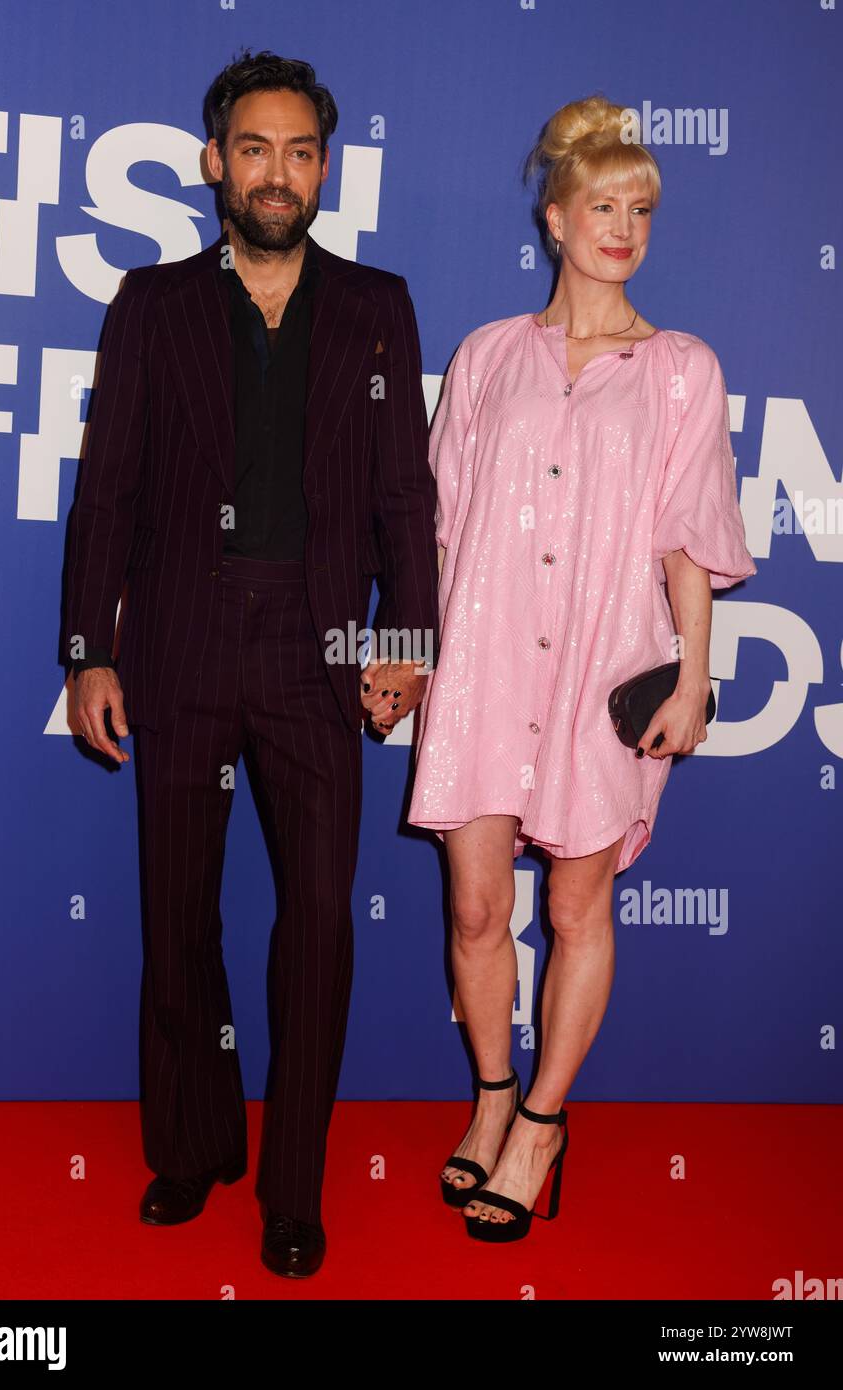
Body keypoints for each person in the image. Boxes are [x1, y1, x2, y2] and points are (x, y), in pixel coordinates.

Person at [62, 49, 438, 1277]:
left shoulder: (379, 303)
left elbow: (403, 498)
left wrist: (403, 646)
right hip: (177, 640)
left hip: (323, 648)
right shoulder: (151, 302)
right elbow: (104, 496)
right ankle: (190, 1146)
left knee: (317, 926)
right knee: (178, 917)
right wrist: (89, 651)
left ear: (324, 167)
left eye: (303, 151)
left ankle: (293, 1186)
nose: (279, 174)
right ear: (216, 162)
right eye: (257, 148)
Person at [406, 94, 757, 1242]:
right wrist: (412, 655)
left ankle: (545, 1121)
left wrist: (693, 677)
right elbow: (439, 529)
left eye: (640, 208)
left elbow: (687, 533)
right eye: (601, 205)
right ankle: (492, 1098)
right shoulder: (486, 355)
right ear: (553, 219)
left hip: (606, 665)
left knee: (572, 900)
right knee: (472, 908)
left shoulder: (679, 370)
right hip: (485, 663)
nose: (623, 227)